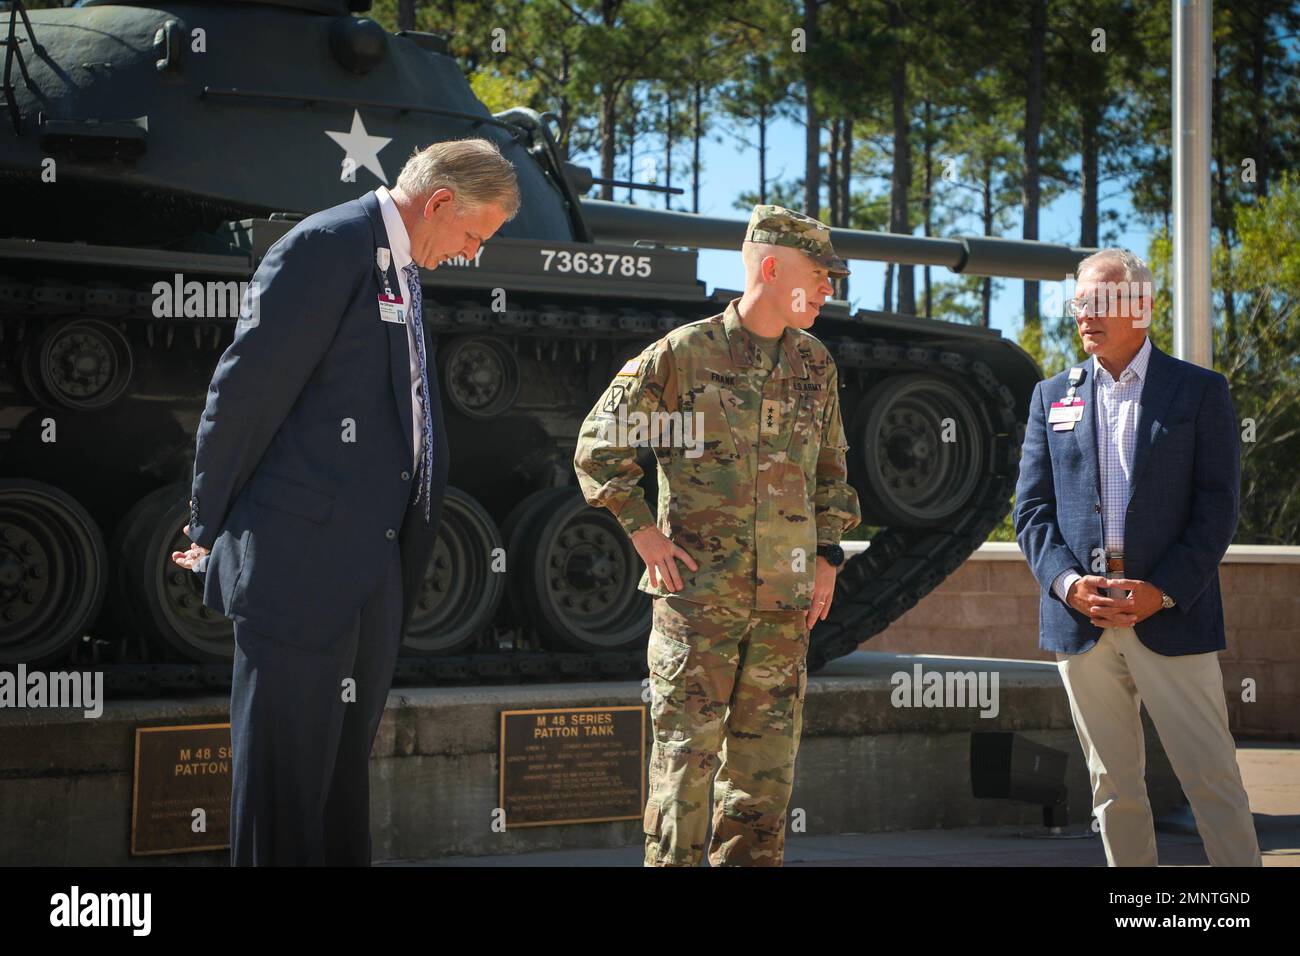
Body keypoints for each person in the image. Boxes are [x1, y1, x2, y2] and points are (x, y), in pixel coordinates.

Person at [169, 138, 520, 865]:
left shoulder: (404, 265)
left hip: (370, 568)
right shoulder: (329, 244)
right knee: (282, 784)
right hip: (299, 562)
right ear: (442, 202)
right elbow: (245, 391)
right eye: (472, 235)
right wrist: (209, 521)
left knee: (337, 784)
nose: (471, 254)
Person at [574, 204, 862, 866]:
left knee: (764, 776)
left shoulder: (815, 365)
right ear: (771, 266)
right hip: (698, 606)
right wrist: (643, 534)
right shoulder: (684, 355)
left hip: (783, 613)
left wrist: (826, 559)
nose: (827, 290)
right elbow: (601, 446)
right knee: (685, 767)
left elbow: (831, 472)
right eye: (820, 275)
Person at [1014, 248, 1261, 866]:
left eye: (1099, 303)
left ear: (1141, 308)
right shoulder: (1051, 397)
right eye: (1079, 304)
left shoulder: (1200, 392)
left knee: (1212, 783)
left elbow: (1217, 508)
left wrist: (1164, 590)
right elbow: (1031, 511)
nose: (1084, 316)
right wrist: (1068, 584)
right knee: (1112, 790)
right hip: (1082, 621)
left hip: (1171, 617)